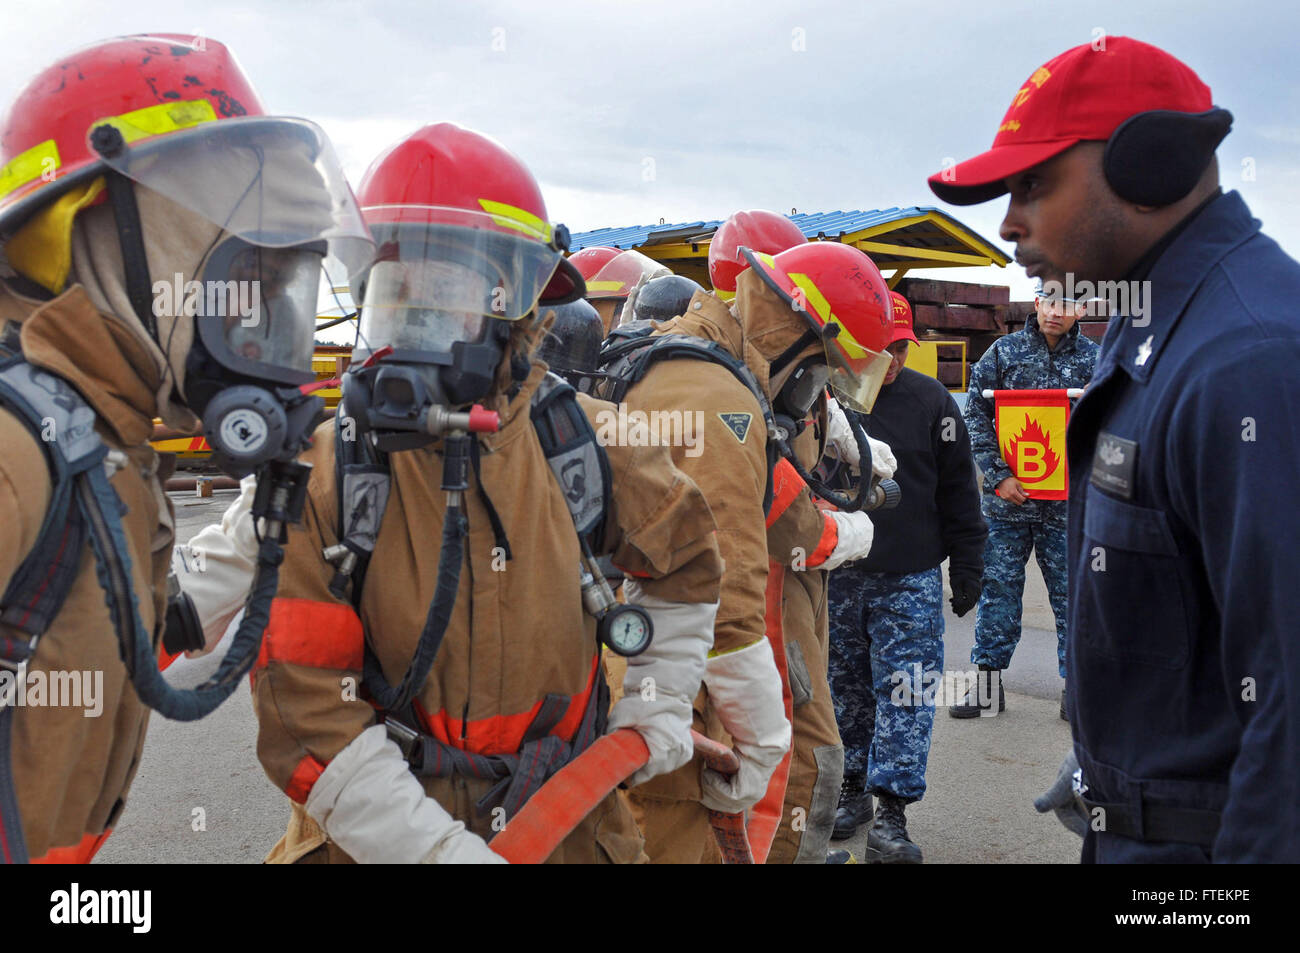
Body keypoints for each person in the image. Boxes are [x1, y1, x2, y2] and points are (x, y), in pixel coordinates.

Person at [248, 122, 725, 864]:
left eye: (439, 297)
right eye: (392, 295)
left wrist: (656, 709)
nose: (409, 329)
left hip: (567, 826)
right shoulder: (322, 470)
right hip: (368, 841)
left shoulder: (591, 443)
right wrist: (434, 850)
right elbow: (308, 710)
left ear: (511, 306)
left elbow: (690, 561)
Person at [0, 34, 371, 864]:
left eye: (282, 288)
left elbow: (138, 626)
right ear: (93, 232)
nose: (264, 319)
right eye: (247, 271)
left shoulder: (105, 448)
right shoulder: (19, 449)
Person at [929, 35, 1300, 862]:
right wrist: (1120, 765)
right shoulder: (1151, 333)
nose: (1009, 222)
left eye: (1033, 184)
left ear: (1149, 168)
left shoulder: (1250, 360)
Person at [600, 225, 895, 863]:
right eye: (819, 372)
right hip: (672, 668)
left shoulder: (699, 361)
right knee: (668, 824)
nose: (816, 393)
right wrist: (763, 733)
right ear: (792, 333)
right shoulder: (715, 398)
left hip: (655, 651)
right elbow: (726, 586)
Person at [825, 292, 986, 861]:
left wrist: (968, 563)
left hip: (910, 580)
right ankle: (850, 790)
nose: (889, 360)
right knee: (844, 694)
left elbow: (960, 493)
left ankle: (891, 814)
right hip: (840, 575)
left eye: (898, 348)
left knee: (907, 692)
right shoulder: (828, 400)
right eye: (879, 347)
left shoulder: (933, 402)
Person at [953, 286, 1097, 718]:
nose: (1057, 312)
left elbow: (1119, 418)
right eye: (1049, 302)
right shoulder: (1003, 353)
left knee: (1072, 595)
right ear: (1037, 304)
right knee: (998, 591)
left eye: (1068, 304)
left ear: (1081, 310)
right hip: (1006, 504)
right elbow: (975, 416)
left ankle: (1077, 691)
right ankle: (985, 685)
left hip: (1066, 505)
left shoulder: (1094, 361)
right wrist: (998, 477)